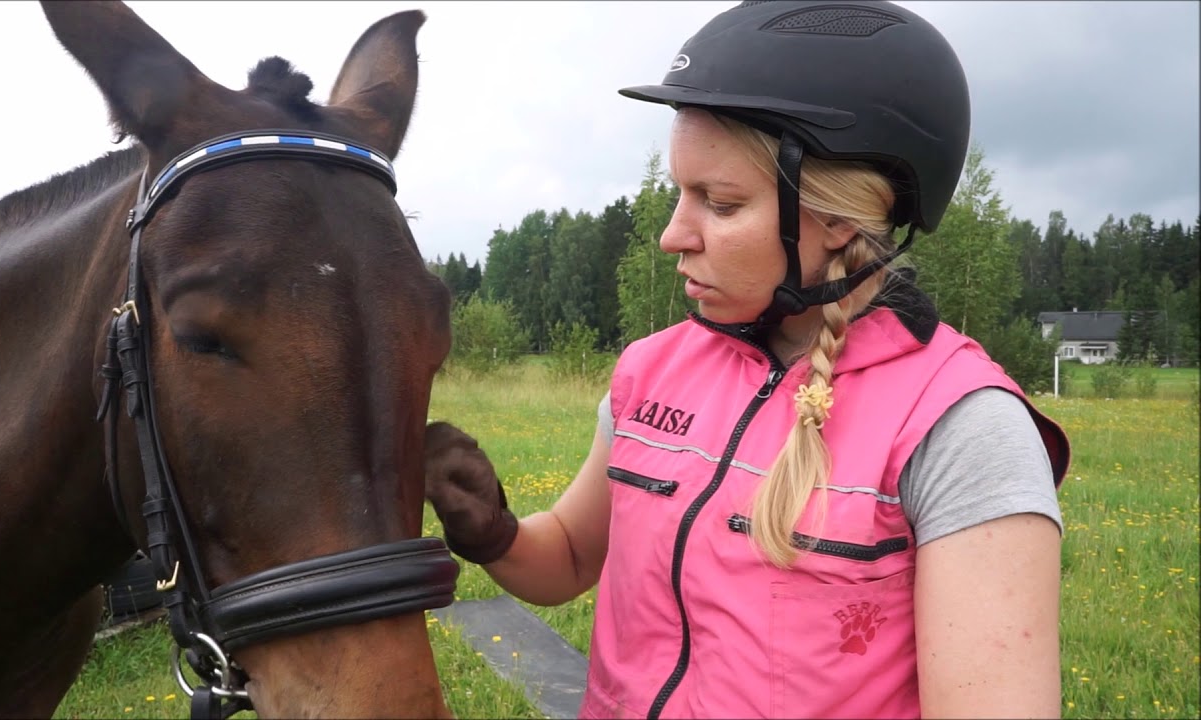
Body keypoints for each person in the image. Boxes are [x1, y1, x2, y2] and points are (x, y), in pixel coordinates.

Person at [423, 1, 1070, 717]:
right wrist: (492, 529)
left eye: (720, 203)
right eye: (678, 193)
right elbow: (573, 556)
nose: (673, 235)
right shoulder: (651, 370)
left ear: (839, 218)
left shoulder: (961, 427)